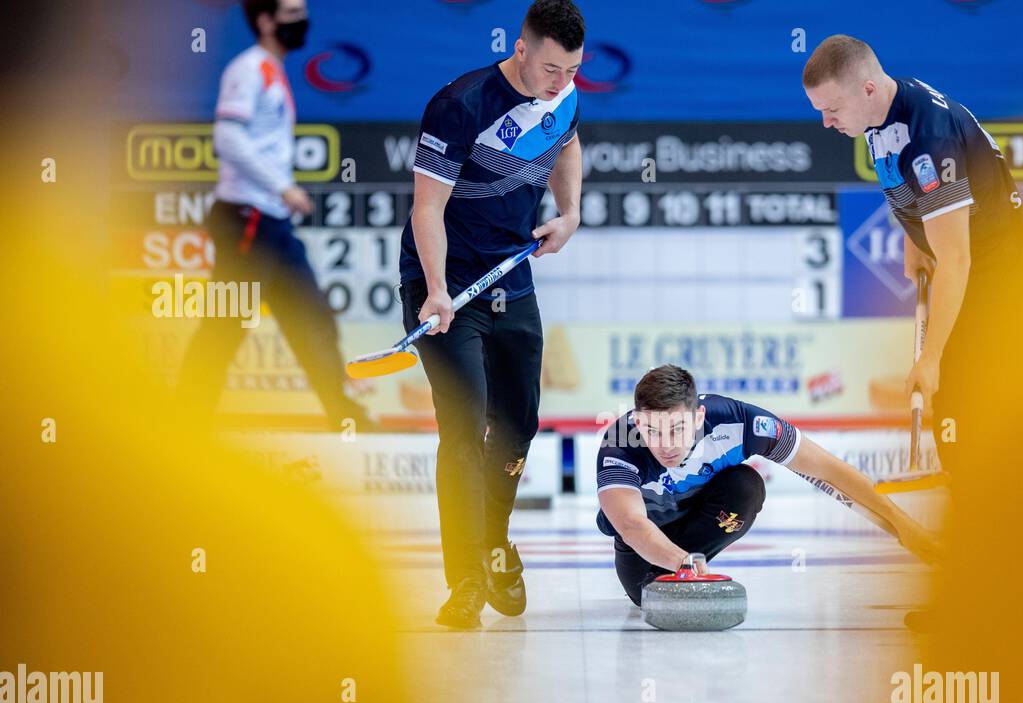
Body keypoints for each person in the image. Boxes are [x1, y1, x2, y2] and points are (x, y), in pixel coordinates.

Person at [398, 0, 584, 629]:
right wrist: (434, 289)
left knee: (518, 424)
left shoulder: (565, 93)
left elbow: (568, 142)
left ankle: (495, 538)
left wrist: (571, 211)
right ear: (521, 50)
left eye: (574, 70)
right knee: (464, 429)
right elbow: (427, 209)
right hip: (444, 289)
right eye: (552, 68)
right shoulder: (461, 105)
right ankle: (467, 581)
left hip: (511, 279)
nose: (562, 82)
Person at [802, 35, 1023, 484]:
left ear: (868, 90)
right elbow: (912, 189)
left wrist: (929, 358)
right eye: (820, 110)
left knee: (963, 391)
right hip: (979, 271)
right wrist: (914, 239)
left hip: (1005, 282)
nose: (825, 122)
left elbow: (955, 259)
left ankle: (993, 498)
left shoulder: (929, 136)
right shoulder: (885, 110)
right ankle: (977, 490)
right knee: (960, 393)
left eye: (832, 109)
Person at [596, 365, 941, 607]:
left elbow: (830, 470)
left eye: (676, 429)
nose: (665, 445)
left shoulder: (741, 421)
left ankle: (689, 561)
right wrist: (680, 563)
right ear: (639, 421)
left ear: (699, 417)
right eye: (653, 431)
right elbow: (631, 524)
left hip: (697, 529)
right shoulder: (620, 442)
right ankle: (671, 571)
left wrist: (904, 526)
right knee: (635, 550)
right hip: (641, 552)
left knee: (747, 486)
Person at [177, 0, 369, 428]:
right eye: (292, 12)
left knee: (311, 316)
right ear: (265, 21)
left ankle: (345, 417)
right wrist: (281, 186)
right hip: (247, 218)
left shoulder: (271, 69)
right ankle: (184, 424)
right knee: (226, 325)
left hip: (271, 222)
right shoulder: (249, 69)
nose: (302, 21)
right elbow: (227, 138)